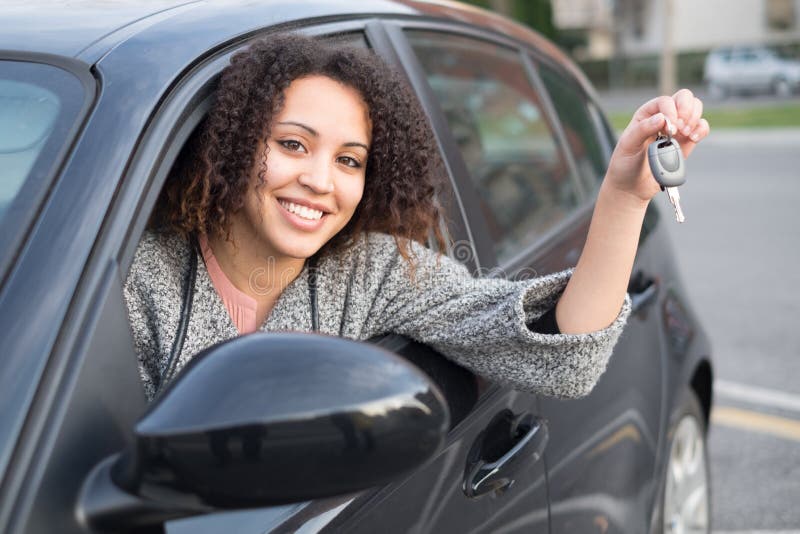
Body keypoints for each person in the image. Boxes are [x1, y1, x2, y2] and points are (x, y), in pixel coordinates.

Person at [124, 33, 709, 402]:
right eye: (293, 145)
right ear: (234, 144)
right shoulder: (134, 282)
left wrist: (624, 196)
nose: (321, 181)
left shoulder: (369, 272)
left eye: (349, 160)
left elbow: (559, 355)